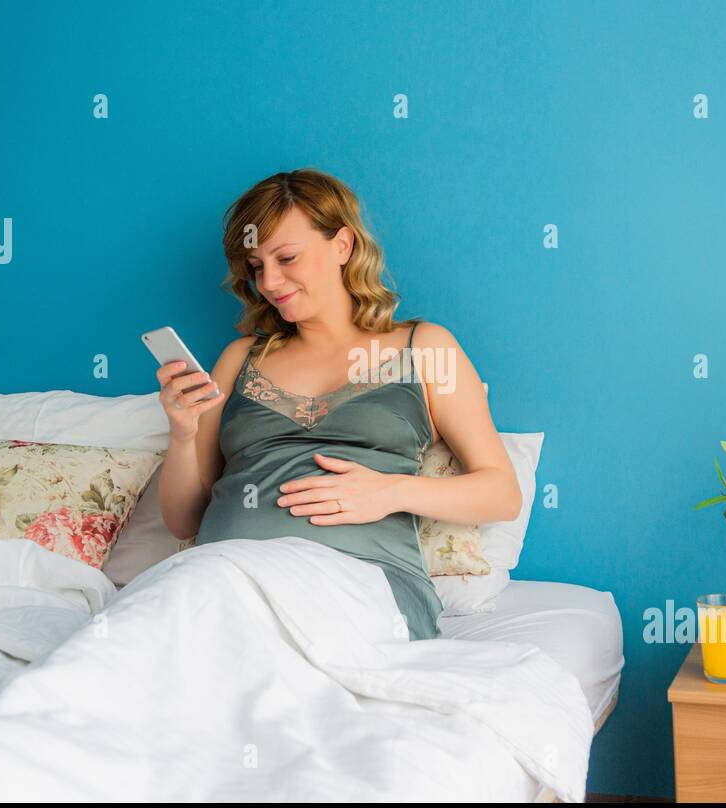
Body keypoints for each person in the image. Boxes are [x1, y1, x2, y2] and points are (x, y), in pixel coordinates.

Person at [156, 168, 520, 641]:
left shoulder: (424, 347)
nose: (269, 280)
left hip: (359, 584)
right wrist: (183, 433)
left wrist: (391, 492)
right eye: (256, 266)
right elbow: (183, 519)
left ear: (343, 246)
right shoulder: (240, 358)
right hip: (222, 578)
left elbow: (501, 494)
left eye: (286, 258)